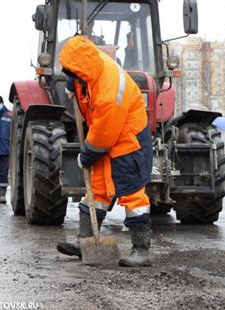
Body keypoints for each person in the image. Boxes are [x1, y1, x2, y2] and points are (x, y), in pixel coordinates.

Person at [56, 35, 153, 267]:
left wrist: (86, 154)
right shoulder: (90, 61)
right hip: (109, 131)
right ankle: (85, 242)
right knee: (97, 188)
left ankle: (141, 251)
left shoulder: (110, 92)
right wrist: (72, 85)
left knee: (132, 193)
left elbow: (103, 135)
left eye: (72, 73)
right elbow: (79, 74)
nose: (70, 75)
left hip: (127, 138)